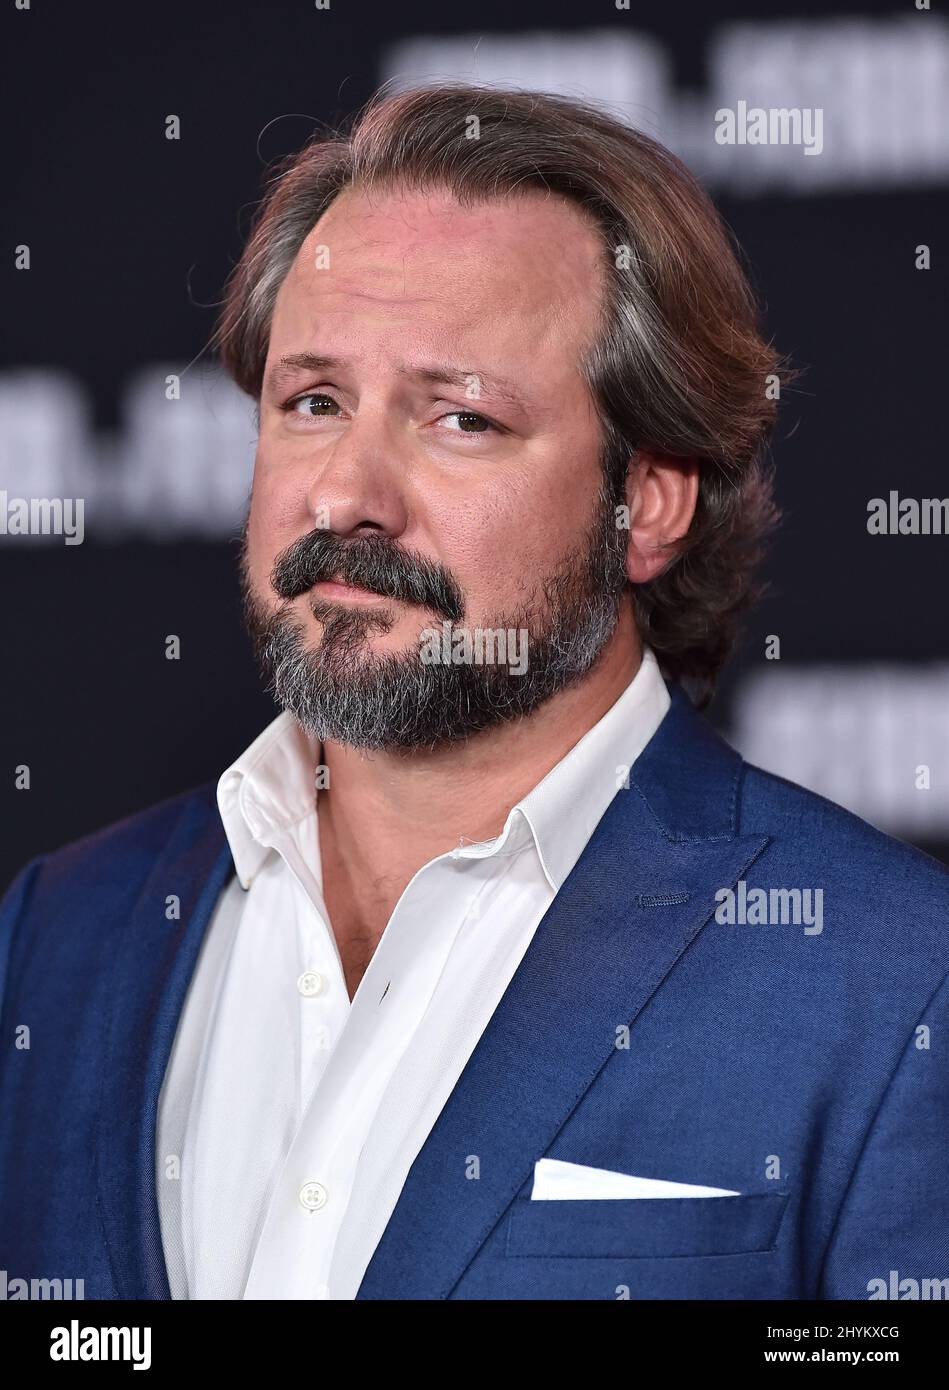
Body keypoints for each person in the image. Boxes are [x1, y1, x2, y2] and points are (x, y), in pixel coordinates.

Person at [1, 82, 946, 1302]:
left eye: (459, 418)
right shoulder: (56, 937)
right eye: (314, 402)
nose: (345, 495)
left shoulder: (892, 980)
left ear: (648, 497)